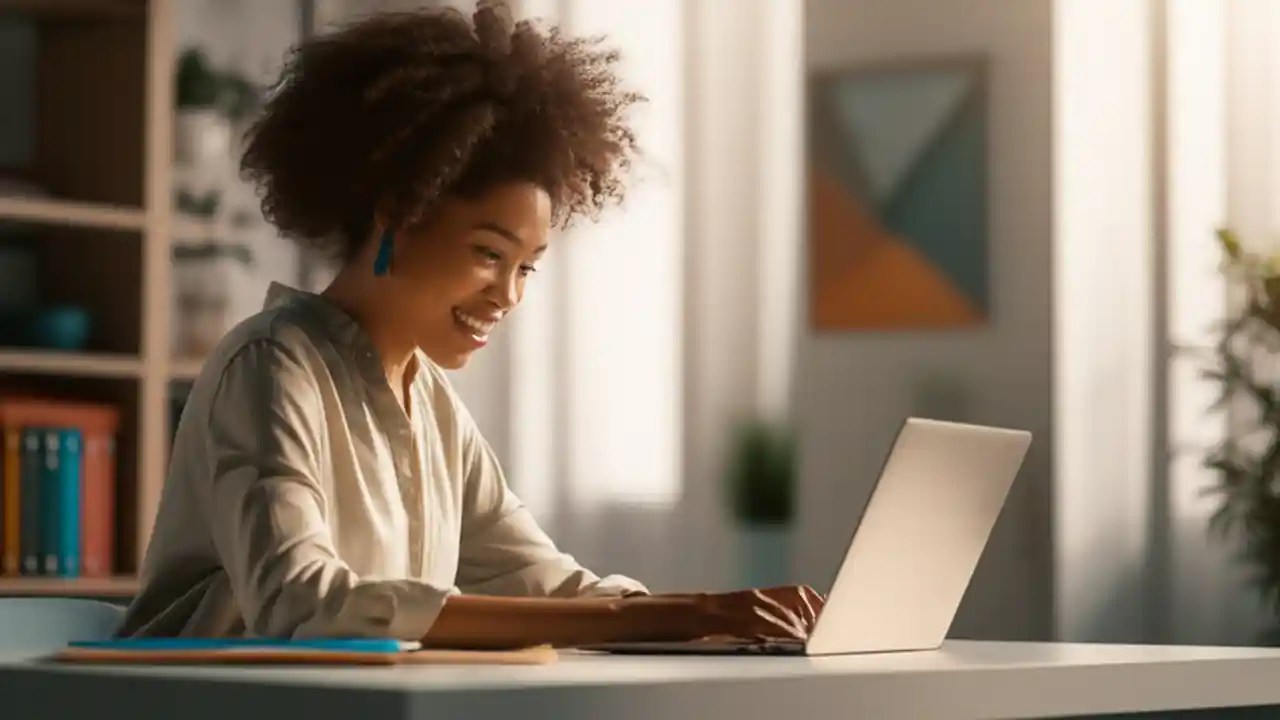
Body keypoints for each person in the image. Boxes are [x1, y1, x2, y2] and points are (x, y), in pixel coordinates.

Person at [119, 1, 823, 649]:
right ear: (398, 212)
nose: (508, 295)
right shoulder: (272, 366)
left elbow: (545, 581)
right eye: (489, 254)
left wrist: (711, 620)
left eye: (528, 267)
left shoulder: (428, 402)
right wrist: (671, 616)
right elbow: (304, 603)